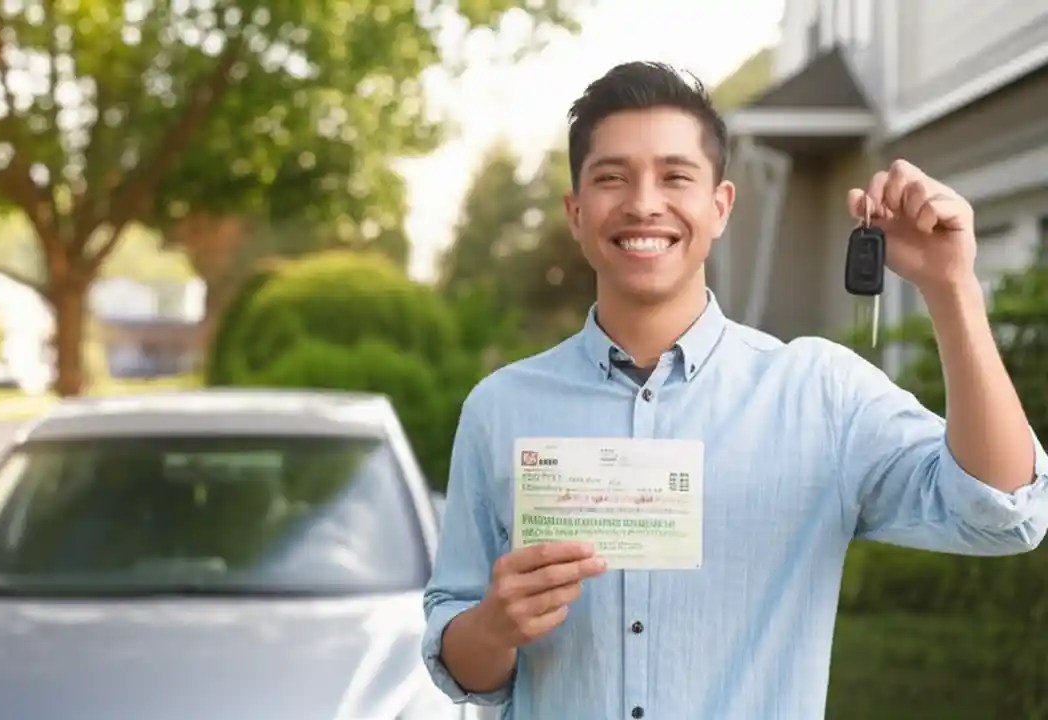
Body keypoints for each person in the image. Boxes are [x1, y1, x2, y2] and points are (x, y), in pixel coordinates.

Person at [421, 61, 1048, 720]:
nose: (642, 203)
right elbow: (457, 654)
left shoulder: (821, 396)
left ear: (720, 207)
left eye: (675, 176)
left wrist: (951, 287)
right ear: (576, 213)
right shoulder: (500, 408)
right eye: (611, 177)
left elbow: (1006, 512)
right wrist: (493, 628)